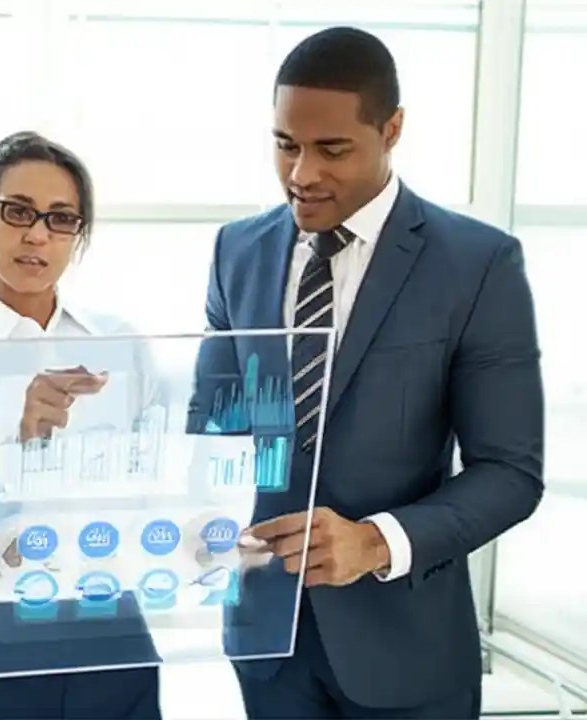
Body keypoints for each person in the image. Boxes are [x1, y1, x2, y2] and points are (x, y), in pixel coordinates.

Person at [192, 26, 543, 719]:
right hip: (268, 646)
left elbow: (510, 472)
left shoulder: (478, 266)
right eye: (285, 144)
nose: (301, 174)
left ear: (393, 130)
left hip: (406, 653)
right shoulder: (238, 251)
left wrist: (376, 540)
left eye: (332, 149)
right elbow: (214, 428)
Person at [0, 131, 163, 720]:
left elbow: (157, 491)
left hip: (114, 626)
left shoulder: (121, 345)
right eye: (17, 212)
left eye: (61, 219)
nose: (37, 234)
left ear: (79, 235)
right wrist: (24, 447)